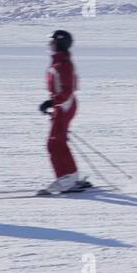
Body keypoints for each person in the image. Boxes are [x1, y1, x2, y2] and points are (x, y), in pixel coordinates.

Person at [38, 30, 90, 194]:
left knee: (54, 144)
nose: (49, 45)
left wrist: (53, 102)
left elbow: (68, 89)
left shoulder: (63, 63)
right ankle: (71, 177)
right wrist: (53, 103)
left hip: (64, 106)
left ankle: (65, 179)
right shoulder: (59, 61)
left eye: (52, 42)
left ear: (59, 43)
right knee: (58, 143)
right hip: (62, 106)